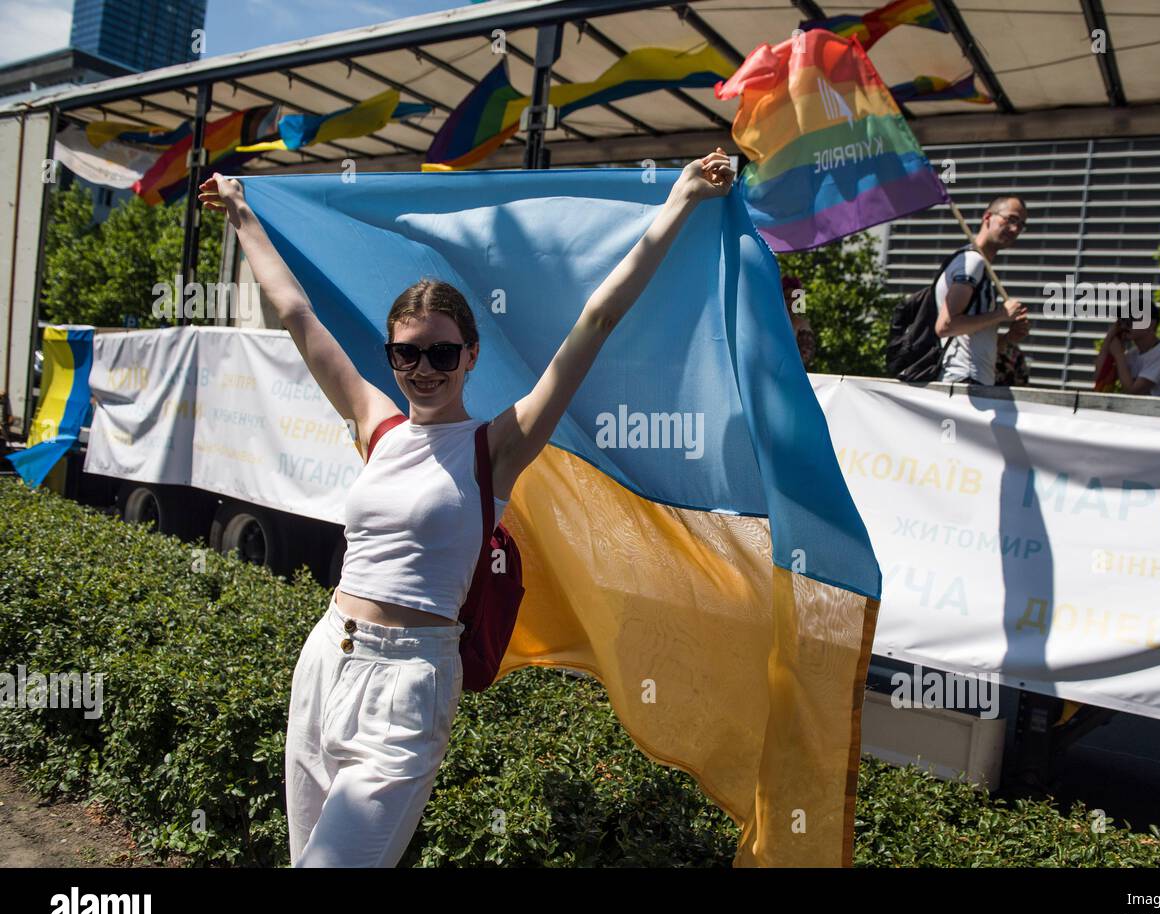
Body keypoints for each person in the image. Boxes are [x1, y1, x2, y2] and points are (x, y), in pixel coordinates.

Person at [199, 148, 736, 868]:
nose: (422, 369)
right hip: (326, 660)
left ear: (471, 355)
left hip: (409, 685)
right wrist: (241, 212)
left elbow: (597, 320)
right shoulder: (376, 423)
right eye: (406, 355)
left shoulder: (498, 448)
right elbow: (296, 314)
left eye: (442, 355)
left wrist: (678, 203)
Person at [935, 197, 1030, 386]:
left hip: (974, 380)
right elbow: (946, 326)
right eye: (1010, 219)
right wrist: (1002, 314)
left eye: (1021, 225)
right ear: (987, 217)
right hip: (962, 380)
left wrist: (1009, 337)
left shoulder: (981, 265)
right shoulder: (972, 262)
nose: (1015, 229)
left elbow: (976, 342)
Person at [1096, 300, 1160, 398]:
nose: (1125, 325)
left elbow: (1133, 392)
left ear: (1151, 323)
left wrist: (1118, 355)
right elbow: (1100, 375)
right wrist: (1109, 338)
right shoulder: (1133, 354)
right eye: (1123, 320)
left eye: (1132, 319)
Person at [782, 275, 816, 369]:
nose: (792, 302)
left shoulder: (802, 324)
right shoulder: (772, 322)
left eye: (795, 298)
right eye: (787, 298)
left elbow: (805, 357)